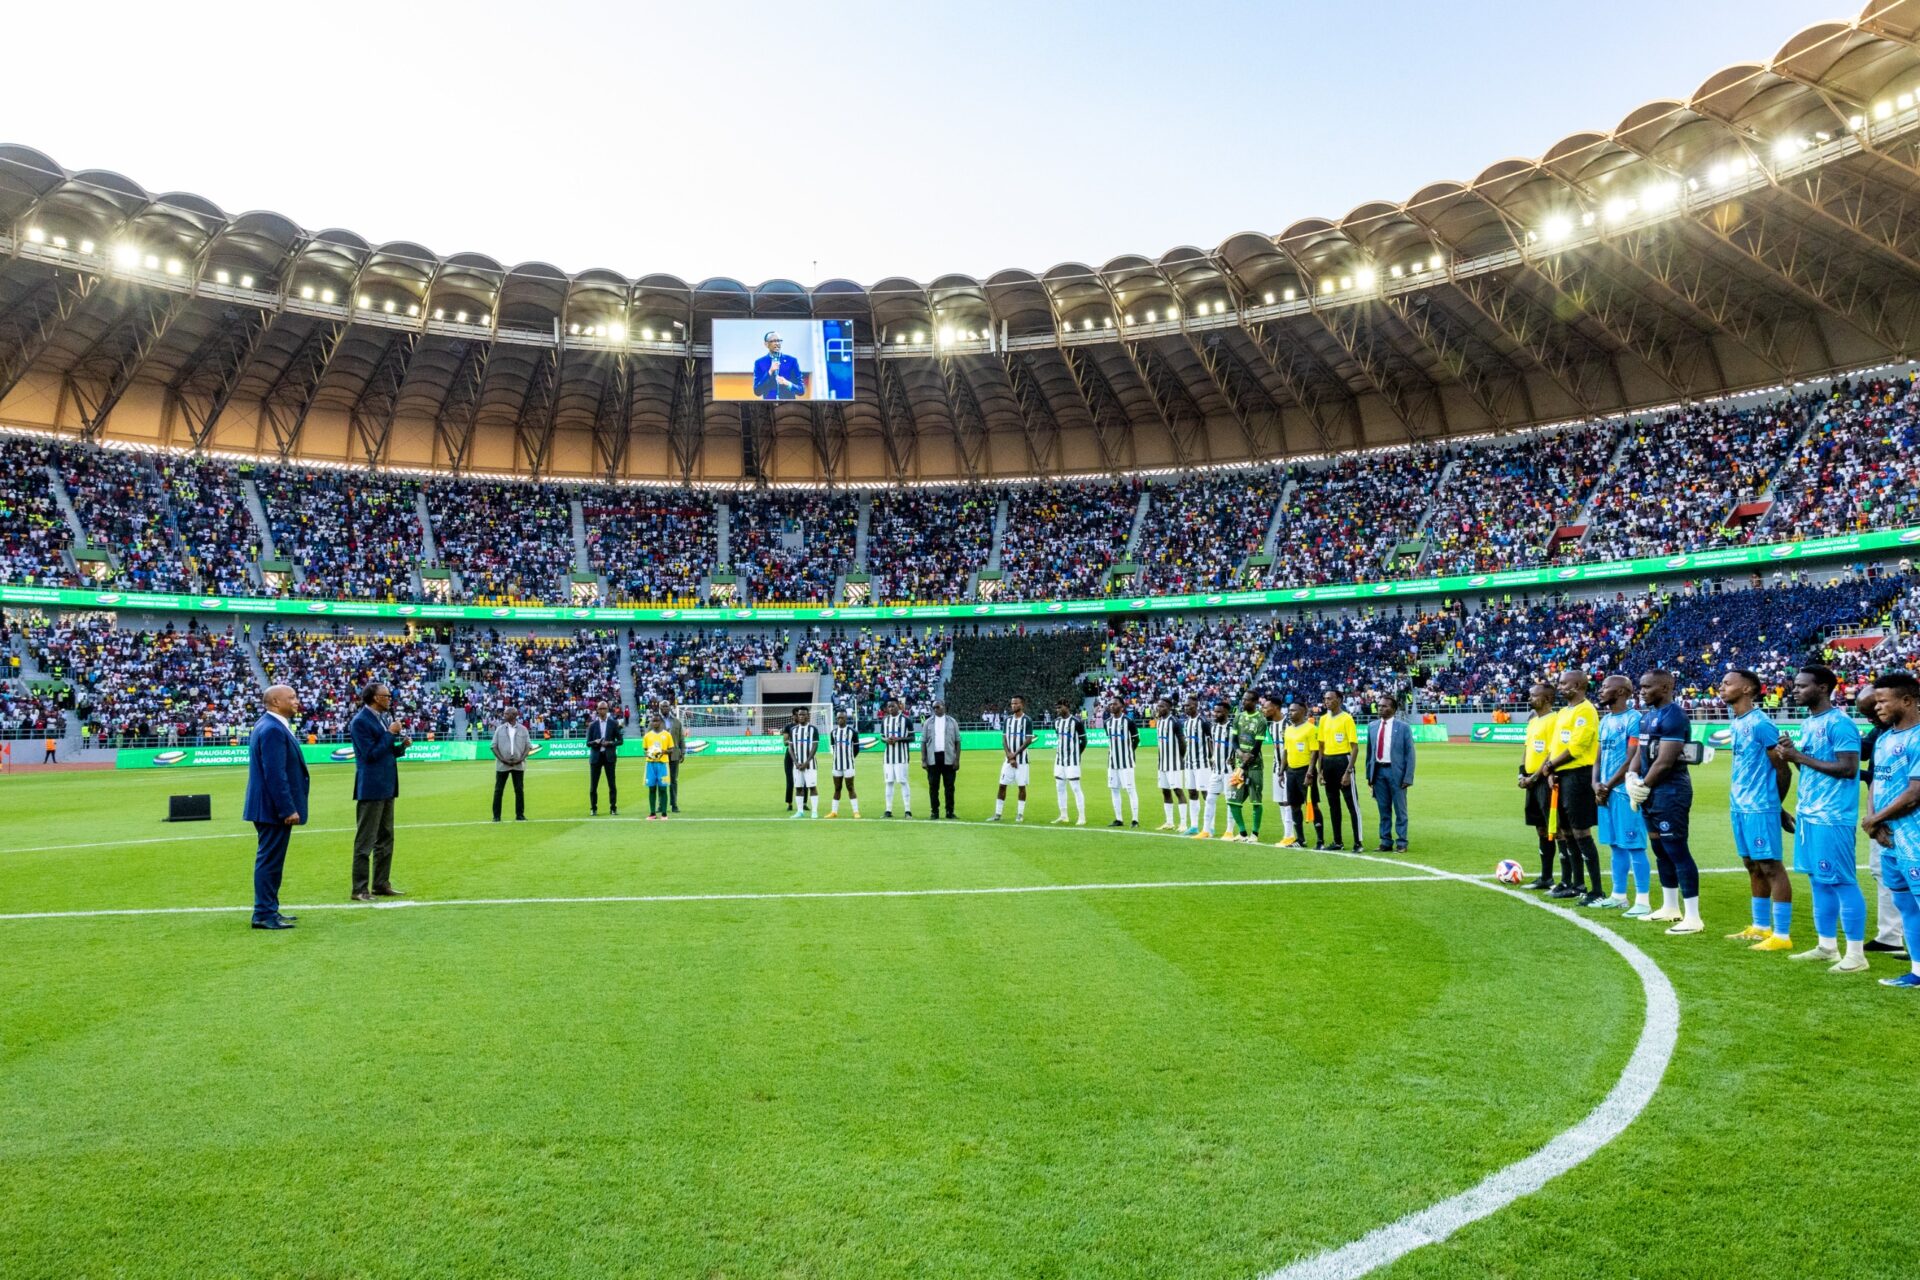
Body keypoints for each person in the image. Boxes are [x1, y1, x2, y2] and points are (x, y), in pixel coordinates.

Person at [1770, 664, 1868, 972]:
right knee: (1818, 881)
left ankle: (1856, 955)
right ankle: (1827, 946)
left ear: (1822, 688)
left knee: (1841, 881)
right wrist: (1793, 755)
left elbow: (1849, 769)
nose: (1794, 690)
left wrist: (1798, 756)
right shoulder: (1810, 722)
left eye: (1801, 686)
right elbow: (1814, 767)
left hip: (1833, 816)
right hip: (1809, 815)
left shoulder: (1840, 724)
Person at [1721, 669, 1795, 950]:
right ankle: (1761, 927)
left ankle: (1782, 935)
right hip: (1739, 806)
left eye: (1728, 683)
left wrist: (1775, 806)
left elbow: (1783, 769)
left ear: (1747, 690)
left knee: (1771, 866)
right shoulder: (1738, 721)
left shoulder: (1761, 724)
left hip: (1759, 807)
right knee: (1752, 865)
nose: (1722, 687)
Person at [1627, 669, 1703, 933]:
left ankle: (1693, 916)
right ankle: (1670, 907)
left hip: (1671, 792)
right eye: (1641, 686)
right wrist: (1632, 776)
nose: (1642, 691)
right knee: (1660, 850)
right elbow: (1640, 752)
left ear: (1666, 687)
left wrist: (1643, 786)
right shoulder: (1647, 717)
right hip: (1651, 792)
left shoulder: (1675, 716)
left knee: (1677, 850)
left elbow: (1666, 760)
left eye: (1647, 687)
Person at [1863, 671, 1920, 989]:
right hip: (1889, 839)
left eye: (1883, 701)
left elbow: (1915, 793)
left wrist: (1874, 821)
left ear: (1908, 700)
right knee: (1906, 906)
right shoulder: (1884, 739)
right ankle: (1918, 972)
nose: (1876, 706)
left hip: (1915, 839)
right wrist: (1874, 822)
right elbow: (1876, 783)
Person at [243, 684, 308, 931]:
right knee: (269, 861)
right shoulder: (271, 728)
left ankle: (270, 909)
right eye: (290, 697)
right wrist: (287, 809)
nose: (296, 700)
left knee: (272, 861)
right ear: (274, 702)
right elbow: (274, 773)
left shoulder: (271, 725)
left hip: (269, 807)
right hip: (272, 809)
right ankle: (263, 913)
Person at [1538, 670, 1601, 904]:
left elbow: (1577, 746)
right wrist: (1551, 769)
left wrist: (1551, 766)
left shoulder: (1586, 710)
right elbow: (1556, 745)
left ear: (1578, 685)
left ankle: (1595, 889)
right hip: (1560, 776)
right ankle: (1574, 883)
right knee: (1565, 832)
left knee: (1580, 832)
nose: (1560, 687)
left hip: (1578, 775)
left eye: (1564, 683)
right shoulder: (1564, 712)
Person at [1593, 674, 1653, 916]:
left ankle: (1643, 900)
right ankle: (1618, 895)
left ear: (1621, 692)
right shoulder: (1605, 720)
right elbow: (1597, 757)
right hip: (1605, 792)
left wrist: (1607, 785)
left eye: (1606, 687)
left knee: (1634, 845)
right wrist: (1595, 783)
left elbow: (1631, 758)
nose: (1600, 690)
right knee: (1616, 845)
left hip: (1624, 793)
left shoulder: (1634, 719)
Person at [1857, 685, 1907, 956]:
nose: (1872, 717)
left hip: (1906, 818)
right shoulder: (1882, 733)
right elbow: (1874, 773)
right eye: (1867, 713)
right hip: (1882, 817)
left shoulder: (1909, 735)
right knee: (1885, 874)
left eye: (1876, 708)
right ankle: (1890, 936)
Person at [349, 682, 410, 903]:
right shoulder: (360, 722)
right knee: (365, 841)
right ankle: (359, 889)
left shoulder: (379, 718)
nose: (389, 698)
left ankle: (381, 883)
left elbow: (385, 753)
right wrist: (389, 734)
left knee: (386, 838)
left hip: (386, 786)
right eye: (386, 695)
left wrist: (400, 746)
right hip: (371, 788)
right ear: (374, 698)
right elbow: (369, 755)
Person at [1518, 683, 1559, 892]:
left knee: (1556, 829)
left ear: (1547, 698)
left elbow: (1553, 752)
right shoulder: (1533, 720)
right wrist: (1522, 773)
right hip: (1531, 781)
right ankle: (1546, 876)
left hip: (1545, 780)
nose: (1530, 698)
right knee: (1541, 829)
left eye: (1534, 695)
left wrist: (1534, 777)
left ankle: (1567, 879)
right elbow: (1528, 748)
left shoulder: (1555, 720)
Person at [1364, 692, 1415, 853]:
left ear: (1393, 709)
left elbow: (1410, 754)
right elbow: (1369, 753)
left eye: (1384, 706)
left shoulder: (1403, 728)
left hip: (1396, 773)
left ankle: (1401, 842)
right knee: (1383, 809)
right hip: (1378, 772)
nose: (1381, 708)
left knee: (1400, 810)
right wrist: (1369, 776)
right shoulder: (1372, 726)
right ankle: (1385, 841)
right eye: (1379, 706)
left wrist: (1408, 776)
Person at [1273, 698, 1322, 849]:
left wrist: (1310, 773)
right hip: (1291, 772)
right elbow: (1285, 751)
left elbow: (1314, 752)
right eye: (1290, 710)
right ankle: (1300, 839)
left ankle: (1320, 840)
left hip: (1305, 771)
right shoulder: (1288, 730)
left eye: (1294, 710)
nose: (1290, 713)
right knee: (1294, 806)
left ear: (1303, 712)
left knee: (1313, 805)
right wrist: (1281, 772)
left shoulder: (1311, 729)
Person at [1317, 689, 1362, 850]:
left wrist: (1348, 772)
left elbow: (1355, 748)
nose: (1326, 701)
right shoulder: (1322, 720)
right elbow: (1321, 747)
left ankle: (1358, 842)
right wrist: (1320, 770)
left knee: (1352, 804)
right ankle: (1338, 842)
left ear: (1339, 700)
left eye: (1330, 698)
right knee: (1333, 805)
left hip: (1343, 761)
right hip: (1328, 763)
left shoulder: (1347, 719)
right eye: (1325, 698)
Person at [1227, 691, 1266, 844]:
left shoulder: (1261, 720)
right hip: (1239, 765)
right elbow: (1234, 740)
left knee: (1255, 801)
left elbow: (1257, 746)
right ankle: (1242, 833)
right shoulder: (1238, 716)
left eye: (1247, 700)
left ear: (1255, 701)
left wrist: (1245, 760)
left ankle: (1254, 834)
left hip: (1254, 766)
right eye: (1243, 699)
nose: (1243, 702)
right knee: (1232, 800)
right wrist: (1239, 754)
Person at [1194, 701, 1234, 839]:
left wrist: (1235, 757)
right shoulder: (1214, 728)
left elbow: (1240, 745)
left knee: (1230, 801)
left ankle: (1229, 831)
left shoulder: (1233, 728)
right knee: (1210, 799)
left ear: (1226, 712)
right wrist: (1212, 756)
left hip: (1230, 771)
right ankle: (1206, 830)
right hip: (1216, 770)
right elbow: (1211, 742)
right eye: (1214, 711)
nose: (1215, 714)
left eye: (1219, 712)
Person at [991, 695, 1033, 822]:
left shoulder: (1027, 720)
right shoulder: (1008, 720)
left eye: (1016, 703)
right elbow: (1004, 739)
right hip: (1008, 761)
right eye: (1012, 704)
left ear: (1022, 705)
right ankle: (998, 814)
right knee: (1002, 785)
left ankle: (1020, 814)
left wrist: (1014, 755)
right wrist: (1009, 756)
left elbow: (1028, 740)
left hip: (1022, 762)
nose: (1013, 705)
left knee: (1021, 787)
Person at [1050, 698, 1088, 826]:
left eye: (1060, 707)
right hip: (1059, 760)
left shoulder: (1076, 722)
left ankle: (1082, 816)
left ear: (1067, 706)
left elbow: (1084, 741)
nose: (1058, 710)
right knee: (1059, 788)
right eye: (1056, 708)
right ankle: (1063, 815)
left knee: (1076, 788)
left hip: (1072, 761)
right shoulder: (1056, 722)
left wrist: (1076, 754)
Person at [1103, 698, 1140, 828]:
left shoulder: (1129, 721)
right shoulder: (1107, 722)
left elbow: (1136, 740)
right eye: (1111, 704)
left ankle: (1135, 819)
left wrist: (1128, 753)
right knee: (1114, 789)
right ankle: (1119, 819)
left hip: (1126, 763)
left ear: (1122, 706)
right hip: (1112, 763)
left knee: (1130, 789)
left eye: (1115, 704)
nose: (1112, 706)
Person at [1153, 697, 1188, 832]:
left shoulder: (1175, 722)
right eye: (1158, 706)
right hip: (1162, 764)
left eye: (1162, 706)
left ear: (1169, 708)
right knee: (1165, 791)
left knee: (1178, 790)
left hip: (1174, 764)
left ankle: (1183, 823)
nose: (1158, 709)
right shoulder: (1159, 722)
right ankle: (1169, 822)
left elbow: (1182, 742)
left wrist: (1180, 758)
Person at [921, 700, 960, 819]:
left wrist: (957, 759)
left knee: (949, 786)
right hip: (933, 758)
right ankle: (934, 812)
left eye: (937, 707)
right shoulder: (928, 722)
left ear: (944, 707)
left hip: (948, 757)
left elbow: (957, 742)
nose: (935, 709)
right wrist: (923, 759)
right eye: (933, 707)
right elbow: (923, 742)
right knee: (933, 786)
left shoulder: (952, 722)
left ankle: (949, 811)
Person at [490, 705, 530, 822]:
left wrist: (521, 759)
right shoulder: (499, 729)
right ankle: (496, 816)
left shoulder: (523, 729)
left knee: (519, 790)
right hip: (502, 765)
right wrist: (502, 759)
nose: (504, 715)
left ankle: (520, 815)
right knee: (498, 790)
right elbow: (493, 747)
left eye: (507, 714)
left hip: (518, 764)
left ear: (514, 715)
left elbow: (528, 747)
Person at [587, 700, 622, 816]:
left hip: (609, 757)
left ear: (607, 709)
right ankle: (593, 808)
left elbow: (620, 741)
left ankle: (613, 807)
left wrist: (610, 743)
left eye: (604, 708)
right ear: (597, 710)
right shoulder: (592, 725)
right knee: (593, 785)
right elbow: (588, 743)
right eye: (600, 709)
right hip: (596, 757)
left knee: (612, 784)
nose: (602, 711)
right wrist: (595, 742)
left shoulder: (613, 723)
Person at [880, 697, 913, 818]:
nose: (891, 708)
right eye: (889, 707)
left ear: (898, 706)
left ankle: (907, 810)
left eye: (893, 706)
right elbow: (882, 737)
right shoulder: (885, 721)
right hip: (888, 758)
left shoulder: (906, 720)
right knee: (889, 783)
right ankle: (888, 810)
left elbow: (912, 738)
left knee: (903, 782)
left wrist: (899, 739)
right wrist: (886, 740)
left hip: (902, 757)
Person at [826, 708, 861, 818]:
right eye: (838, 718)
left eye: (842, 718)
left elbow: (856, 749)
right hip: (836, 765)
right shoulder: (833, 733)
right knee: (837, 788)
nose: (840, 720)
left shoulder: (852, 732)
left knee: (850, 787)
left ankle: (856, 811)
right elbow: (833, 748)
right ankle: (834, 812)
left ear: (846, 718)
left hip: (849, 765)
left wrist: (850, 758)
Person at [752, 330, 805, 400]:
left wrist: (787, 383)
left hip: (788, 406)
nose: (777, 343)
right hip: (769, 406)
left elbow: (801, 390)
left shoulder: (792, 361)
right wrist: (769, 372)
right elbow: (757, 391)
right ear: (766, 344)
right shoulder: (759, 363)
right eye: (773, 341)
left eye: (779, 341)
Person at [787, 706, 819, 819]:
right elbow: (790, 748)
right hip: (797, 766)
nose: (801, 716)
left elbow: (815, 747)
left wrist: (806, 762)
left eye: (803, 714)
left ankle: (814, 811)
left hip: (810, 765)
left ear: (808, 716)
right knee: (798, 788)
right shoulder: (793, 730)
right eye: (799, 714)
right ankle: (800, 811)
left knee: (812, 787)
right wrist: (795, 762)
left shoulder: (813, 729)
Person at [1182, 696, 1207, 836]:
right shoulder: (1186, 723)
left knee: (1205, 793)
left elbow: (1211, 740)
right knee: (1192, 792)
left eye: (1189, 705)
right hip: (1189, 763)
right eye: (1185, 706)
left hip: (1202, 763)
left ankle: (1210, 825)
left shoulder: (1203, 722)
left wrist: (1212, 757)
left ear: (1196, 706)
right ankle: (1194, 825)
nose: (1187, 708)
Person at [643, 713, 675, 819]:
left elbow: (671, 749)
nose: (655, 723)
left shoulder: (667, 735)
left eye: (657, 721)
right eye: (653, 721)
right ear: (651, 722)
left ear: (661, 722)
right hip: (650, 764)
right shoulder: (647, 736)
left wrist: (663, 751)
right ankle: (652, 813)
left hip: (662, 764)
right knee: (651, 788)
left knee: (663, 789)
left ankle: (664, 813)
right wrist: (650, 754)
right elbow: (645, 751)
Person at [661, 701, 687, 813]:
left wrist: (683, 752)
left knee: (673, 780)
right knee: (661, 781)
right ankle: (661, 805)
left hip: (674, 754)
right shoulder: (655, 721)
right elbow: (648, 736)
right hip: (660, 755)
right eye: (663, 706)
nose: (665, 708)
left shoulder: (677, 721)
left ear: (670, 708)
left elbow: (681, 738)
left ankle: (674, 804)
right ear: (660, 708)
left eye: (667, 706)